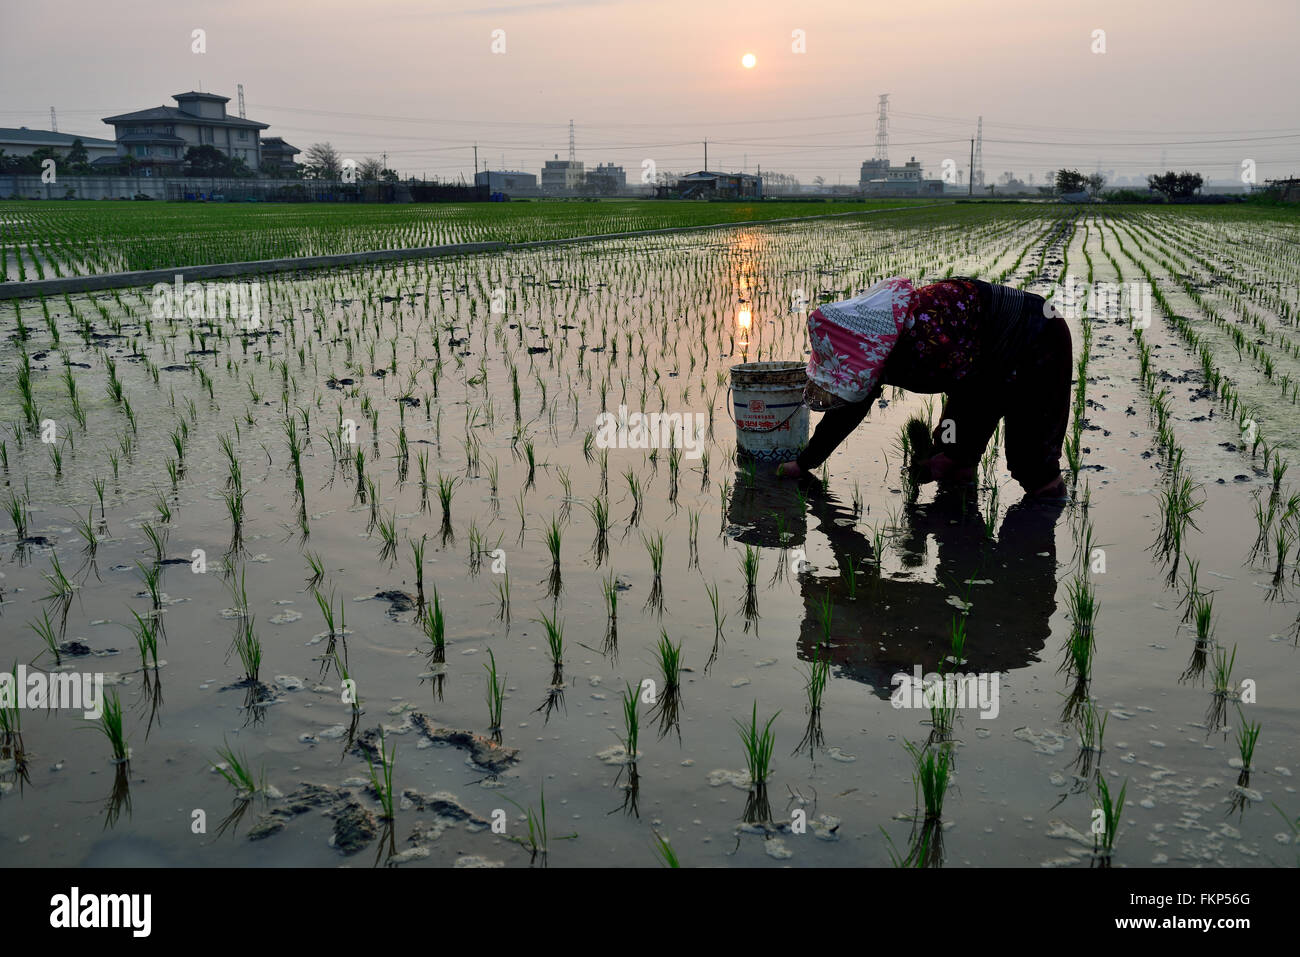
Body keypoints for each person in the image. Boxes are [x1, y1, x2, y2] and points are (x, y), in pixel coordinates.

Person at [776, 276, 1071, 498]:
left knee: (1032, 464)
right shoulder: (872, 346)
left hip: (1037, 337)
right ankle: (962, 549)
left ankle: (1038, 539)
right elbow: (850, 411)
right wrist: (804, 463)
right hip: (982, 362)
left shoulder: (925, 342)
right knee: (952, 453)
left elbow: (978, 394)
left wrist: (950, 453)